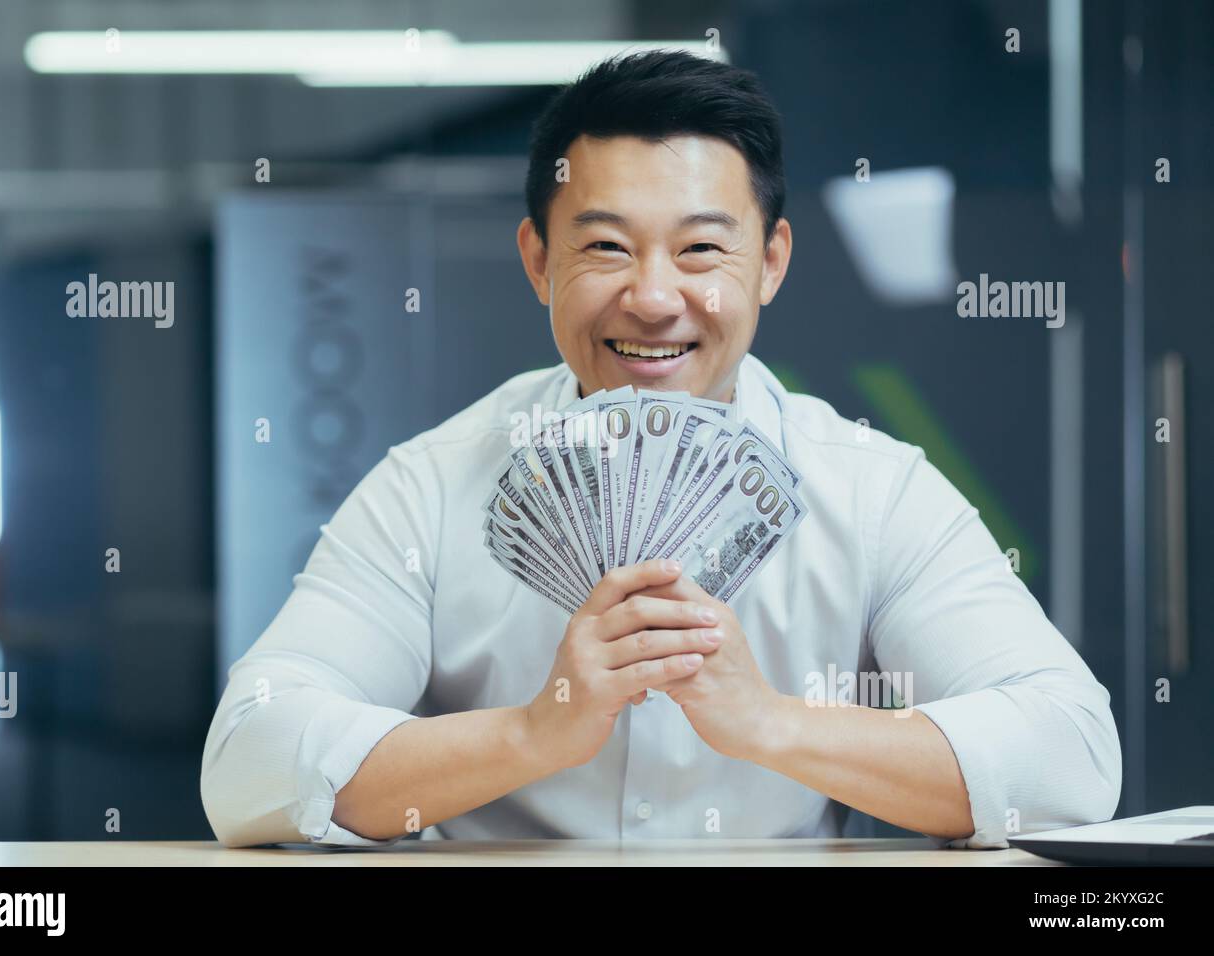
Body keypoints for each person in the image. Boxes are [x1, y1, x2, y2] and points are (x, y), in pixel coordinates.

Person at [200, 49, 1121, 849]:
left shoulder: (874, 492)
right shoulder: (432, 487)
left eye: (699, 250)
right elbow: (248, 759)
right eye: (605, 246)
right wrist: (536, 732)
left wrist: (774, 726)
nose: (651, 297)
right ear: (537, 261)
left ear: (770, 262)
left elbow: (1070, 760)